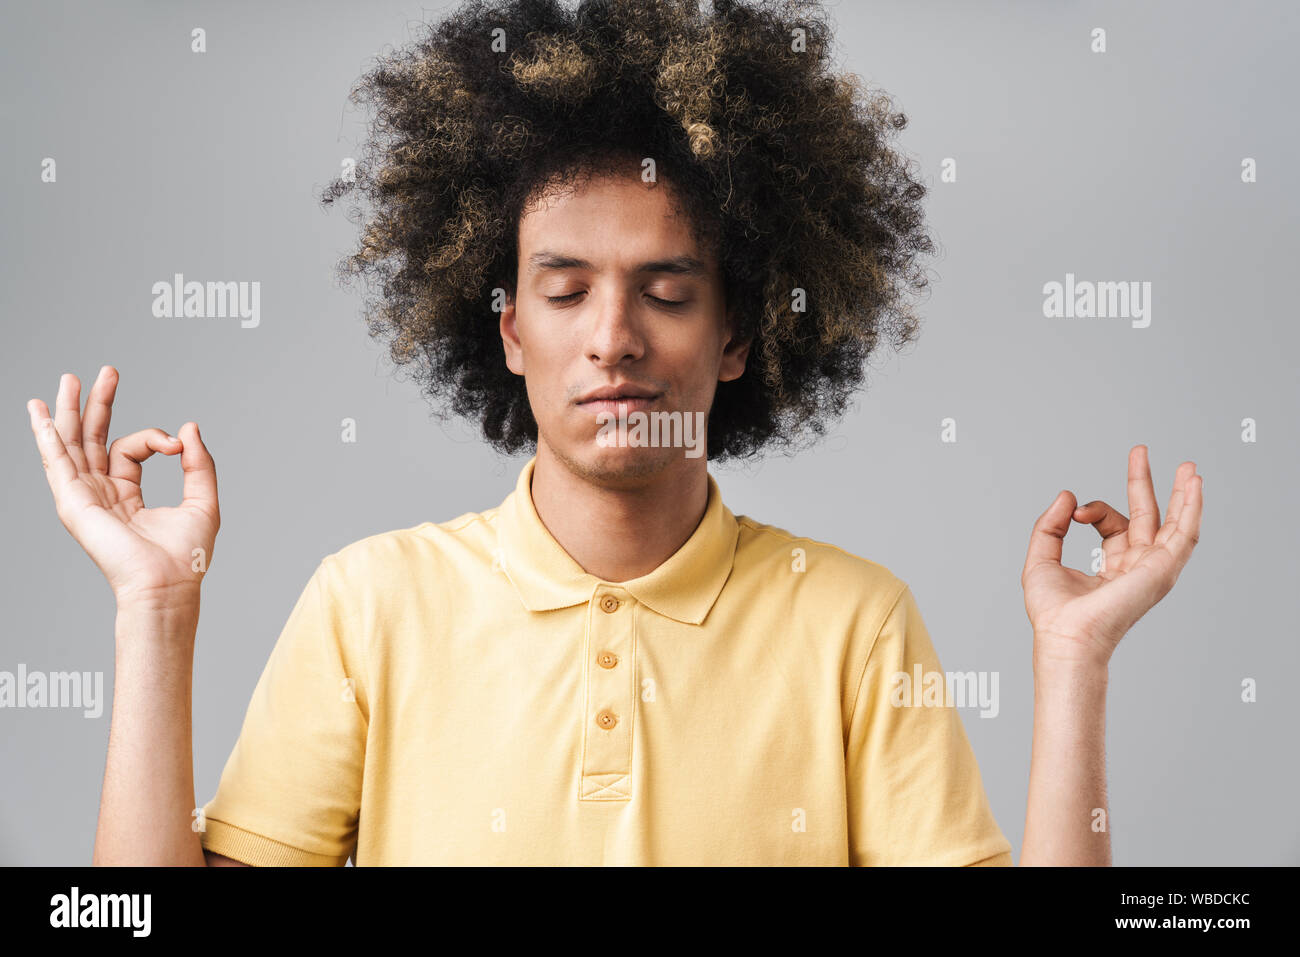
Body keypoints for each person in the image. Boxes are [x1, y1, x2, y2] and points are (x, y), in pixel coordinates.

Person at [25, 0, 1201, 866]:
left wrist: (1071, 661)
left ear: (737, 339)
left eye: (667, 291)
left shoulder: (853, 618)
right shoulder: (369, 603)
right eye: (566, 288)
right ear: (506, 334)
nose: (615, 339)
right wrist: (155, 609)